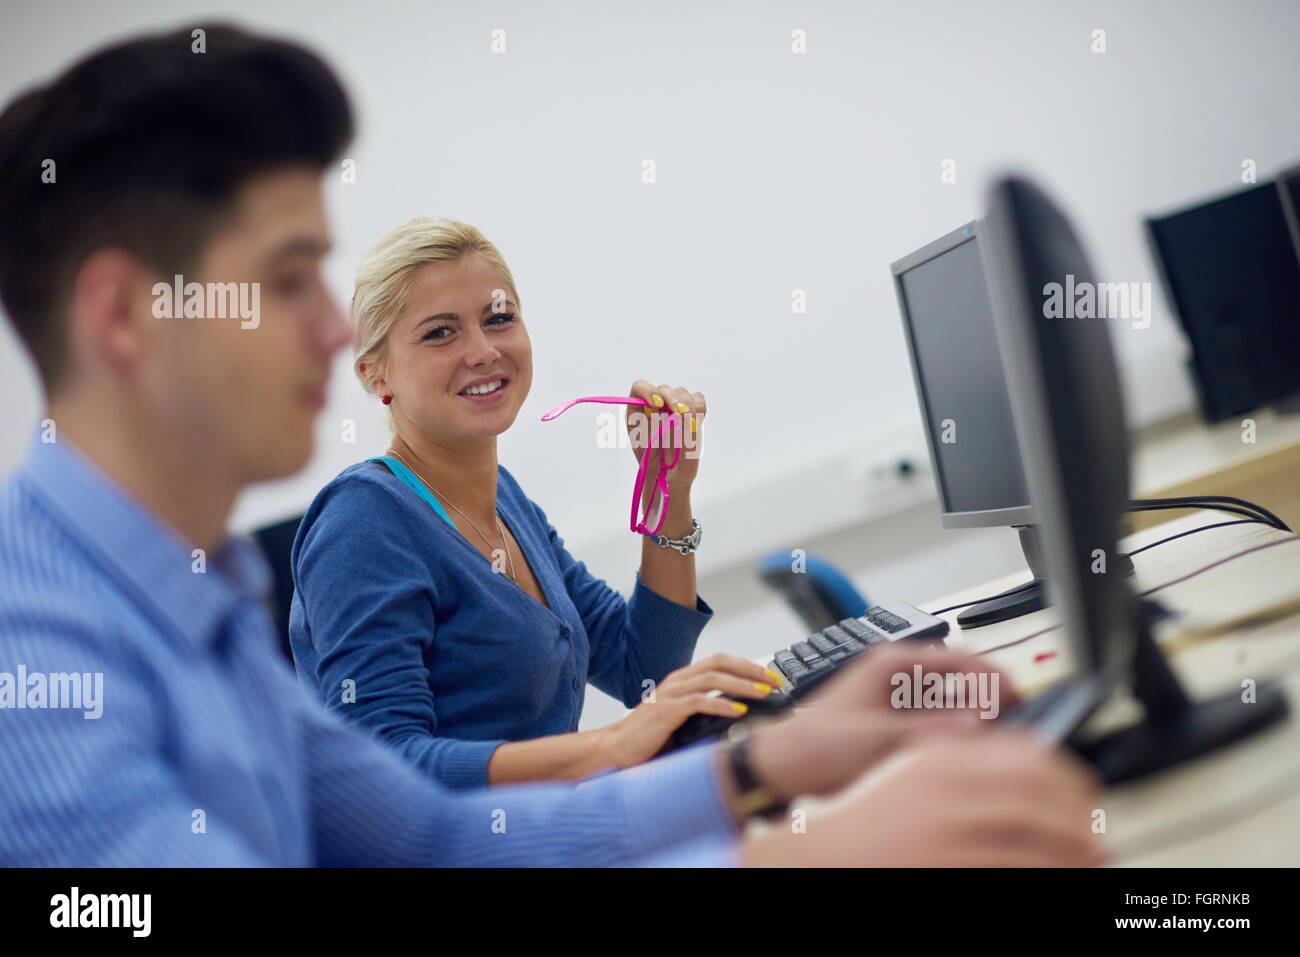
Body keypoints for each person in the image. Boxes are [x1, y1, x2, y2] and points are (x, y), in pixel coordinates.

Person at [0, 23, 1105, 867]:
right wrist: (801, 851)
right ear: (126, 319)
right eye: (291, 281)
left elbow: (434, 834)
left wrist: (768, 762)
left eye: (498, 315)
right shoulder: (37, 653)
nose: (332, 331)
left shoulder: (200, 592)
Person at [289, 216, 778, 788]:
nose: (482, 350)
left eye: (499, 319)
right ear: (376, 374)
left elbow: (643, 669)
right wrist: (608, 748)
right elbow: (386, 772)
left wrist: (666, 488)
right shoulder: (365, 520)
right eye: (440, 333)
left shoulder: (506, 500)